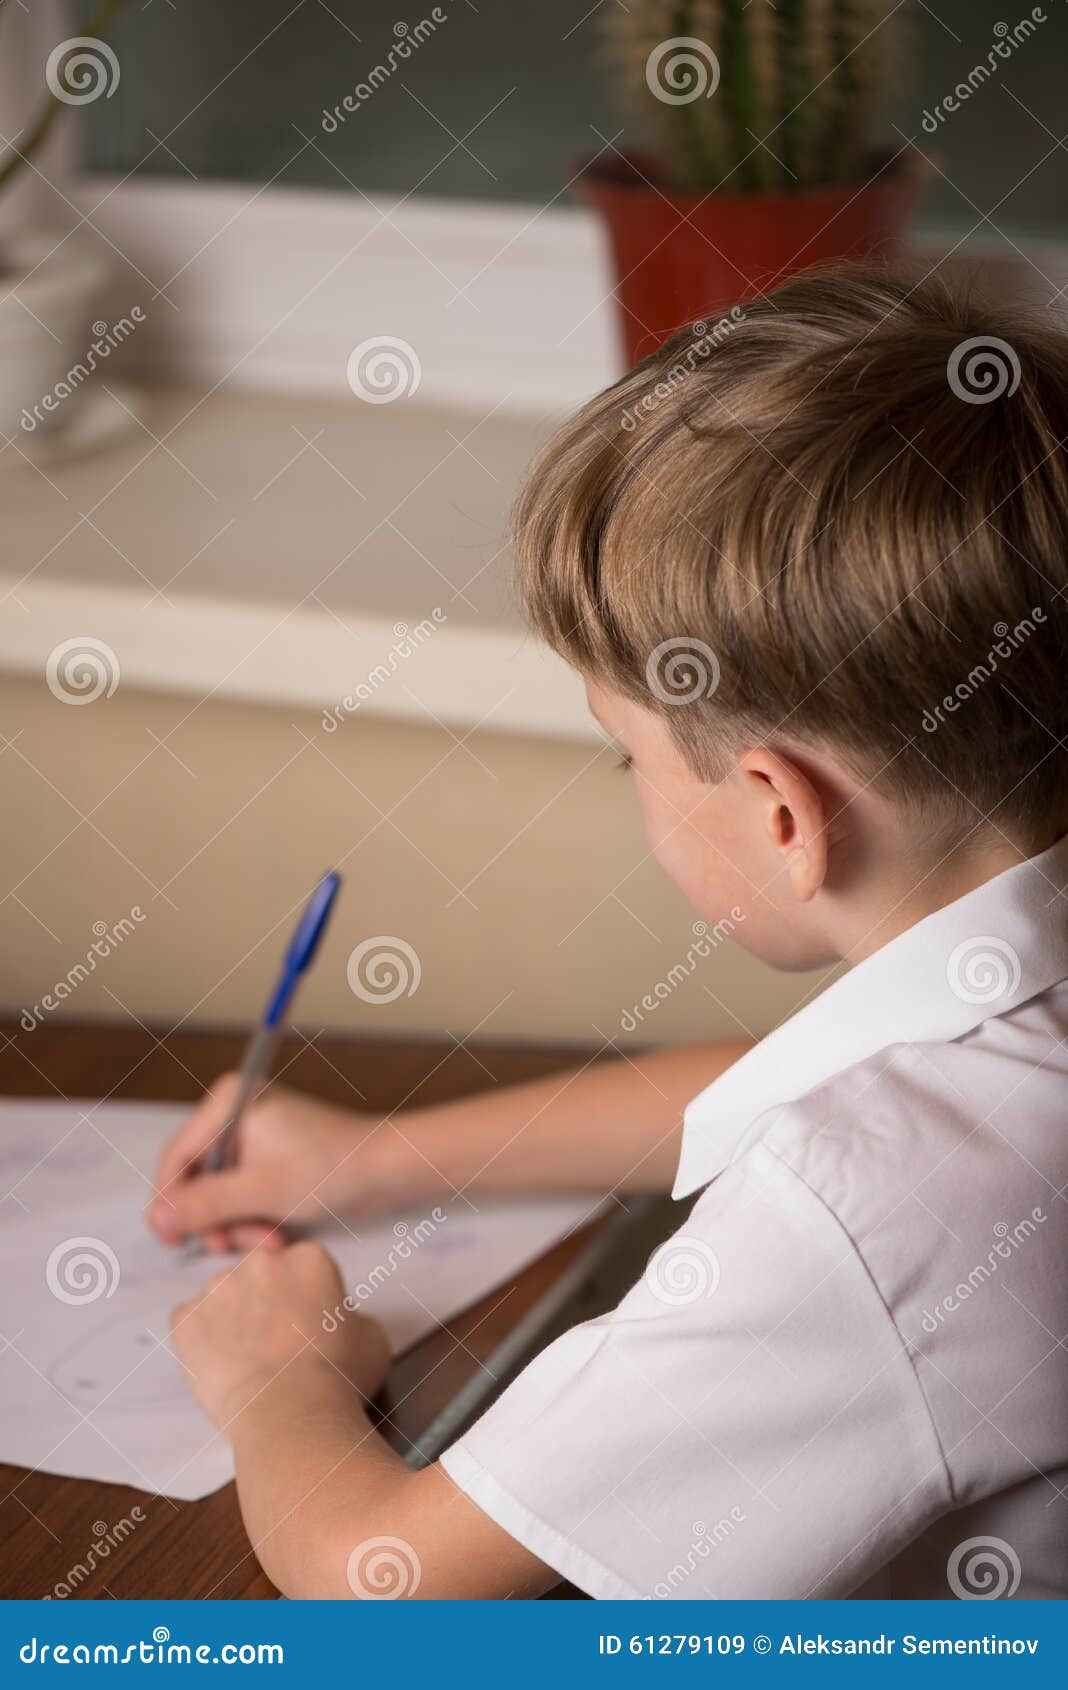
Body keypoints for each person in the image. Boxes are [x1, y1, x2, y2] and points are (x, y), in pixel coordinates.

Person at [148, 266, 1068, 1600]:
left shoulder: (865, 1220)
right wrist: (373, 1157)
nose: (628, 783)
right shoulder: (987, 1035)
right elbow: (775, 1091)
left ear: (780, 811)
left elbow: (386, 1578)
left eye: (622, 755)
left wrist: (276, 1383)